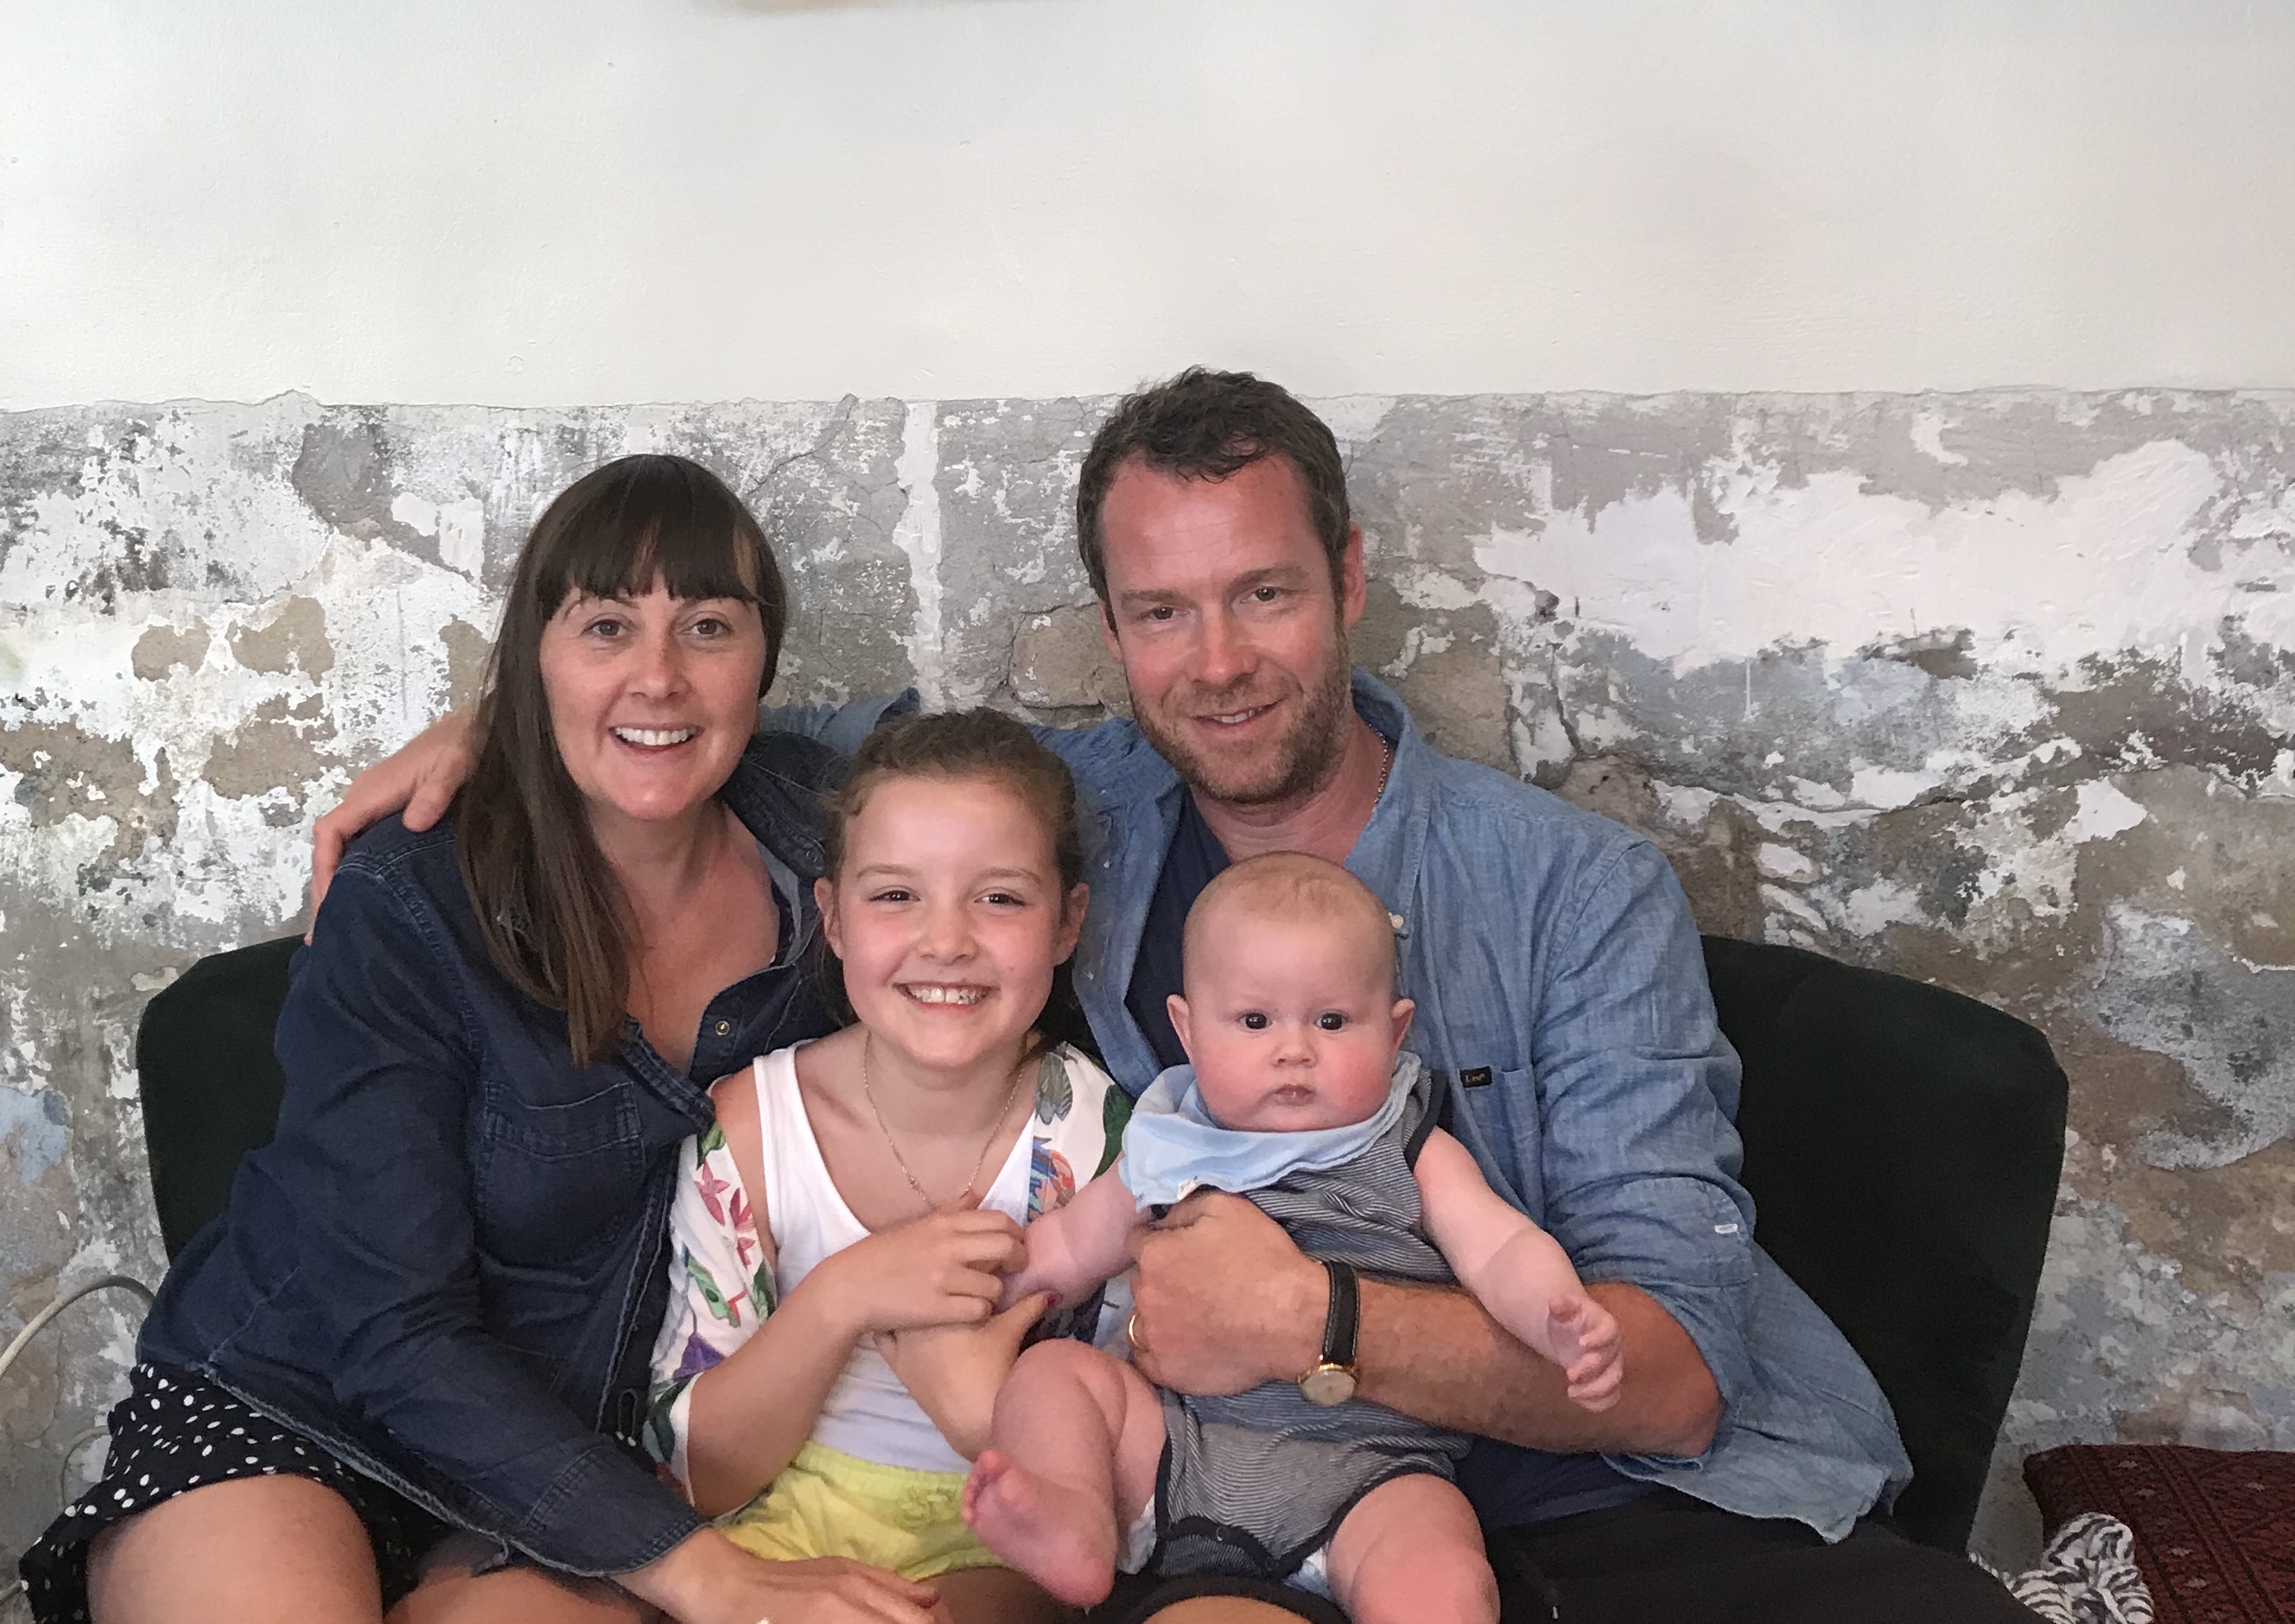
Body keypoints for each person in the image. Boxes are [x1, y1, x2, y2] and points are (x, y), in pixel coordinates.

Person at [304, 369, 2042, 1624]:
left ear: (1347, 581)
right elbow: (765, 745)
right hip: (1224, 1507)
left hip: (1607, 1497)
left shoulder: (1569, 890)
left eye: (1262, 595)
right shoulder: (1081, 821)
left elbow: (1669, 1380)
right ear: (1112, 630)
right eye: (1159, 612)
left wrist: (1319, 1322)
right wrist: (514, 727)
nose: (1214, 663)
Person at [21, 455, 948, 1624]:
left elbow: (1015, 799)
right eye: (604, 627)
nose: (659, 675)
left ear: (763, 662)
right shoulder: (408, 898)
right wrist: (699, 1571)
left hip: (592, 1461)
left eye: (709, 627)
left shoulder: (839, 856)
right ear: (532, 660)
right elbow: (387, 1329)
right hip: (305, 1403)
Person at [960, 852, 1622, 1623]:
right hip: (1178, 1449)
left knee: (1441, 1563)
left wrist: (1557, 1315)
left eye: (1332, 1022)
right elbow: (1070, 1250)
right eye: (1254, 1021)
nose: (1294, 1050)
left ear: (1395, 1030)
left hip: (1369, 1473)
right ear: (1188, 1031)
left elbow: (1499, 1247)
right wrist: (980, 1285)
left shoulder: (1407, 1148)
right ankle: (1072, 1516)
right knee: (1056, 1376)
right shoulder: (1169, 1146)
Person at [641, 708, 1131, 1624]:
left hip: (997, 1552)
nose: (946, 940)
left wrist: (983, 1418)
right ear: (832, 917)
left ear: (1068, 921)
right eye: (896, 895)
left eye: (999, 898)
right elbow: (700, 1474)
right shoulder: (752, 1129)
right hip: (768, 1538)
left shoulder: (1095, 1140)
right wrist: (844, 1295)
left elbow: (1135, 1475)